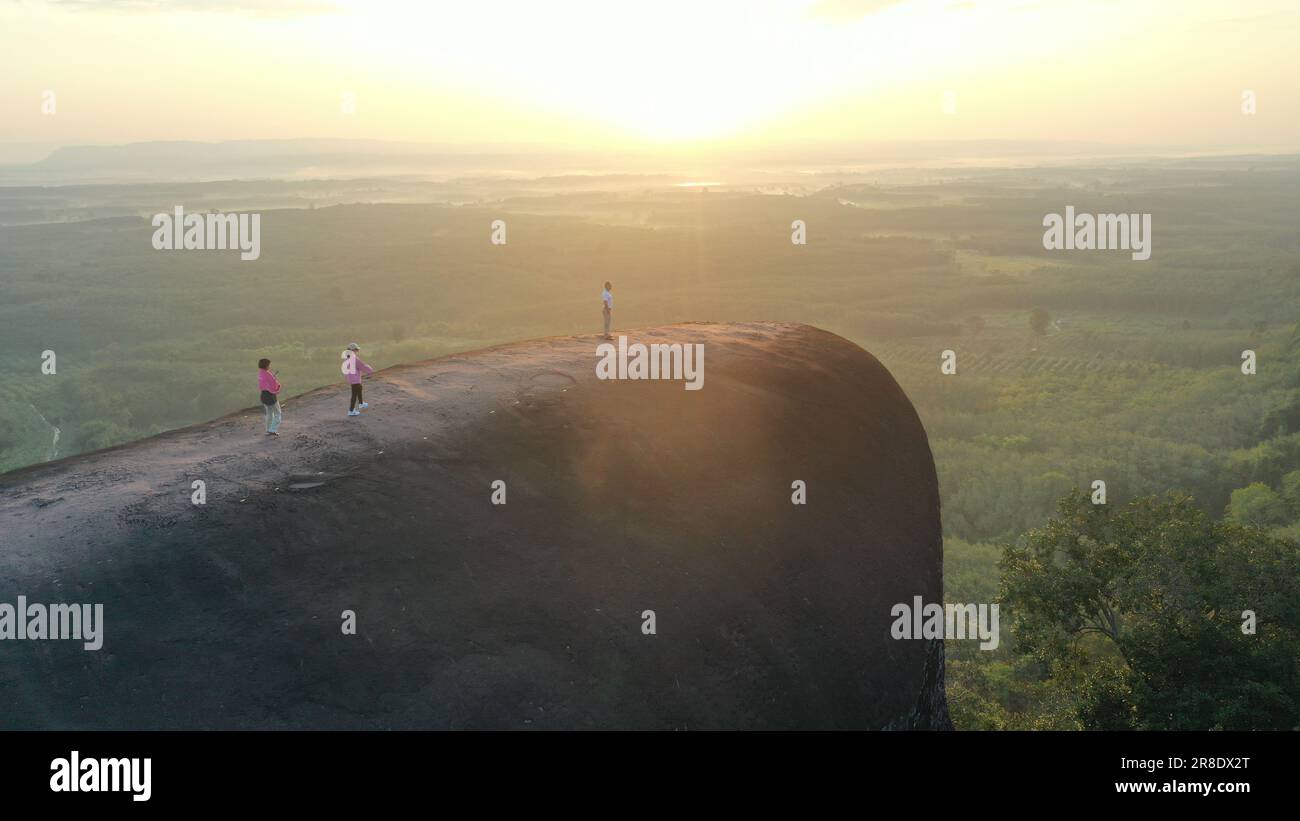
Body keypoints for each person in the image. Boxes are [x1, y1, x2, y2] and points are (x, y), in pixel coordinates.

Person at [343, 342, 374, 416]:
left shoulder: (347, 358)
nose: (357, 351)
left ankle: (361, 403)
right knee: (354, 394)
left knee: (359, 388)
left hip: (352, 379)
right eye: (356, 349)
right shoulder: (354, 359)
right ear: (352, 350)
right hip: (355, 379)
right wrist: (371, 370)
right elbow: (363, 366)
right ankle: (351, 411)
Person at [258, 358, 282, 436]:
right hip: (270, 396)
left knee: (269, 414)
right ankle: (273, 430)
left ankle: (268, 429)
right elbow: (274, 386)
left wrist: (272, 379)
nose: (269, 366)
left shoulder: (260, 373)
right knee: (278, 413)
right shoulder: (268, 374)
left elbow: (264, 384)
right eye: (269, 365)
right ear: (266, 365)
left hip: (263, 395)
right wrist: (275, 381)